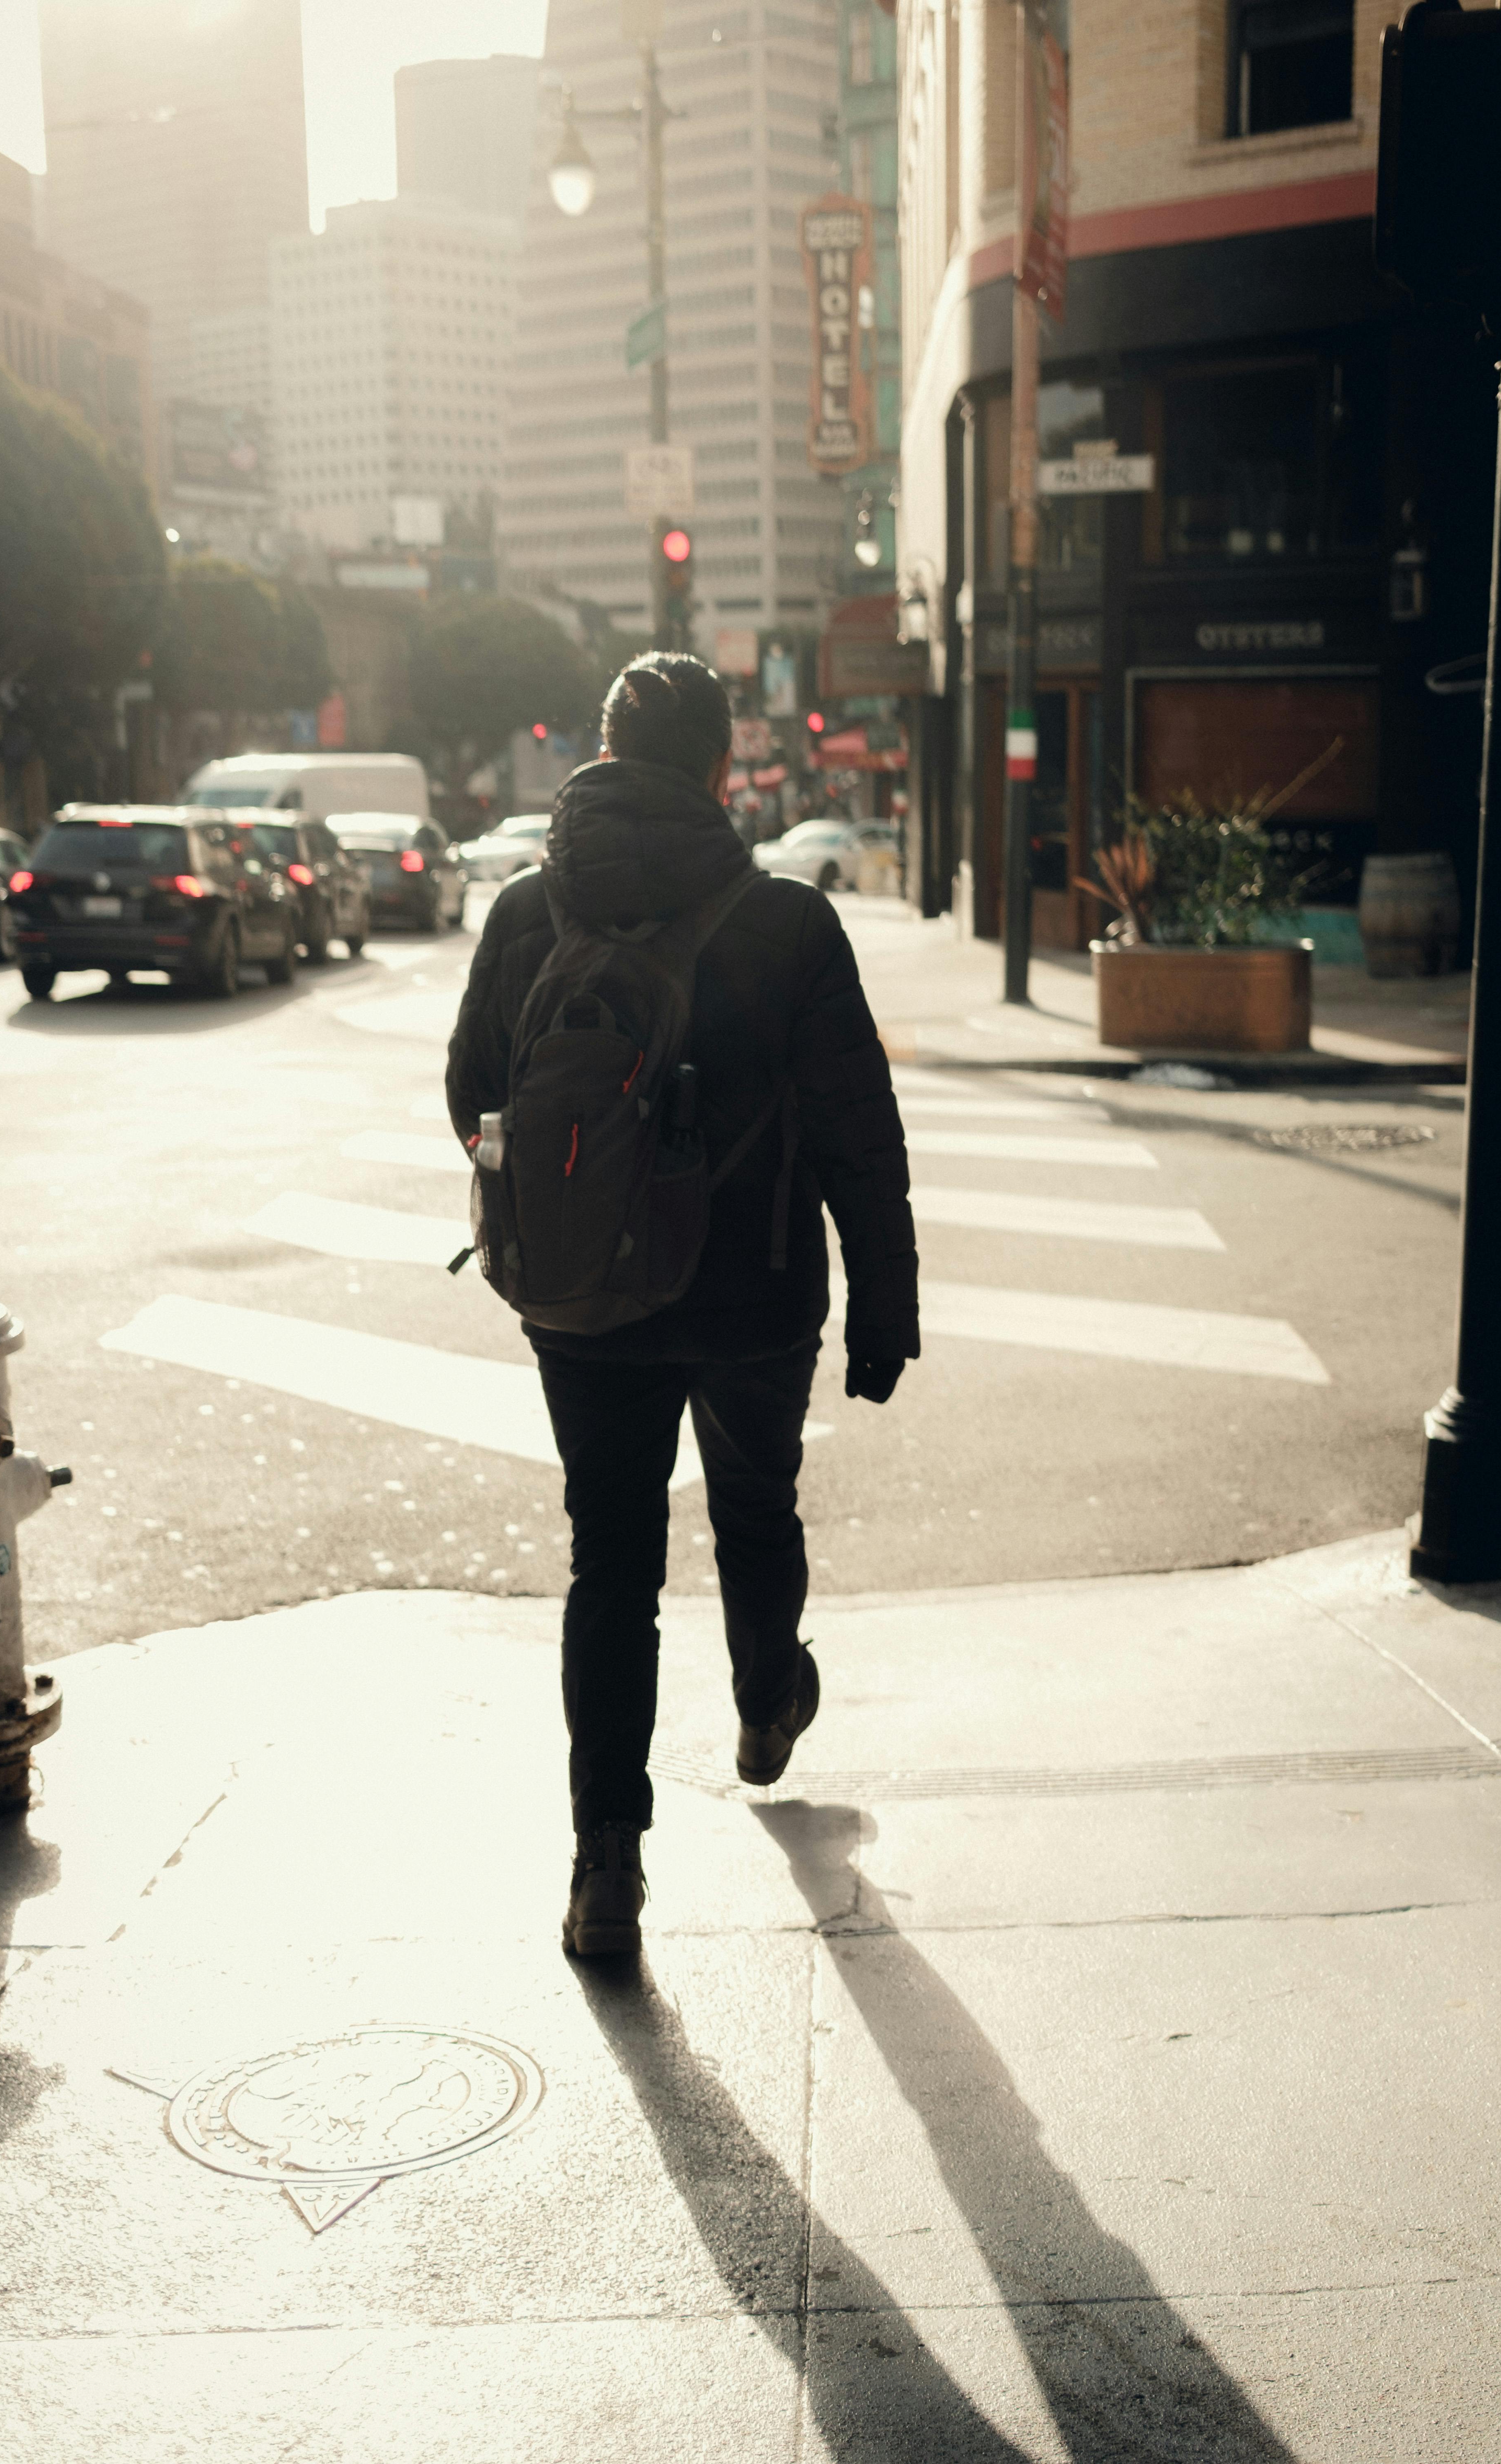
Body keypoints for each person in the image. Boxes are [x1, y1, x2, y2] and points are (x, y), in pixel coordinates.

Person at [446, 653, 918, 1957]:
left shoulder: (526, 916)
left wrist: (576, 1192)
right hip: (754, 1294)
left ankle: (608, 1870)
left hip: (584, 1296)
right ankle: (769, 1703)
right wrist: (885, 1306)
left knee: (613, 1564)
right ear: (722, 769)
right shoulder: (788, 924)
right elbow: (855, 1136)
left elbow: (470, 1098)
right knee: (758, 1508)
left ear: (601, 754)